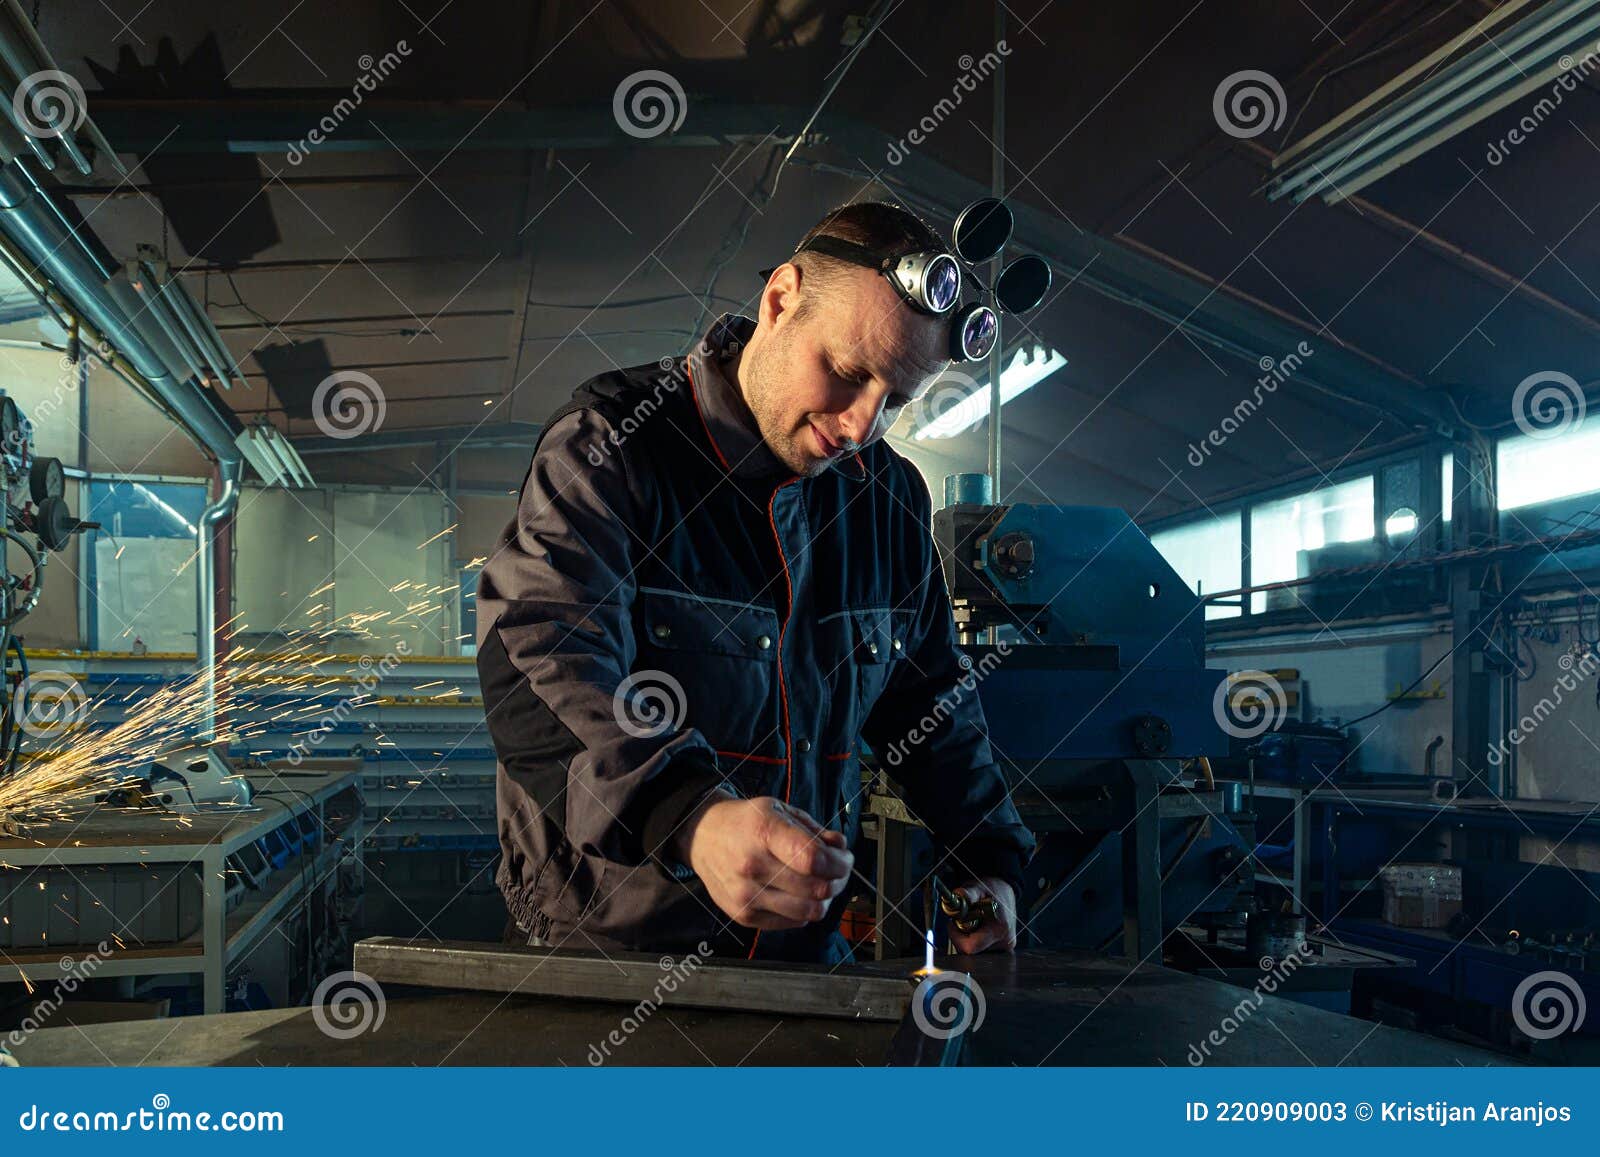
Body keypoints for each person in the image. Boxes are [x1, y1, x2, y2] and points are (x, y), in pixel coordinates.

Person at [477, 201, 1034, 963]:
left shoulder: (887, 500)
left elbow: (927, 700)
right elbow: (539, 663)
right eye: (846, 372)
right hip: (602, 960)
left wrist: (990, 860)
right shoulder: (615, 449)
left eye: (895, 401)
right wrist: (691, 817)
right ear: (779, 300)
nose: (860, 427)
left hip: (796, 962)